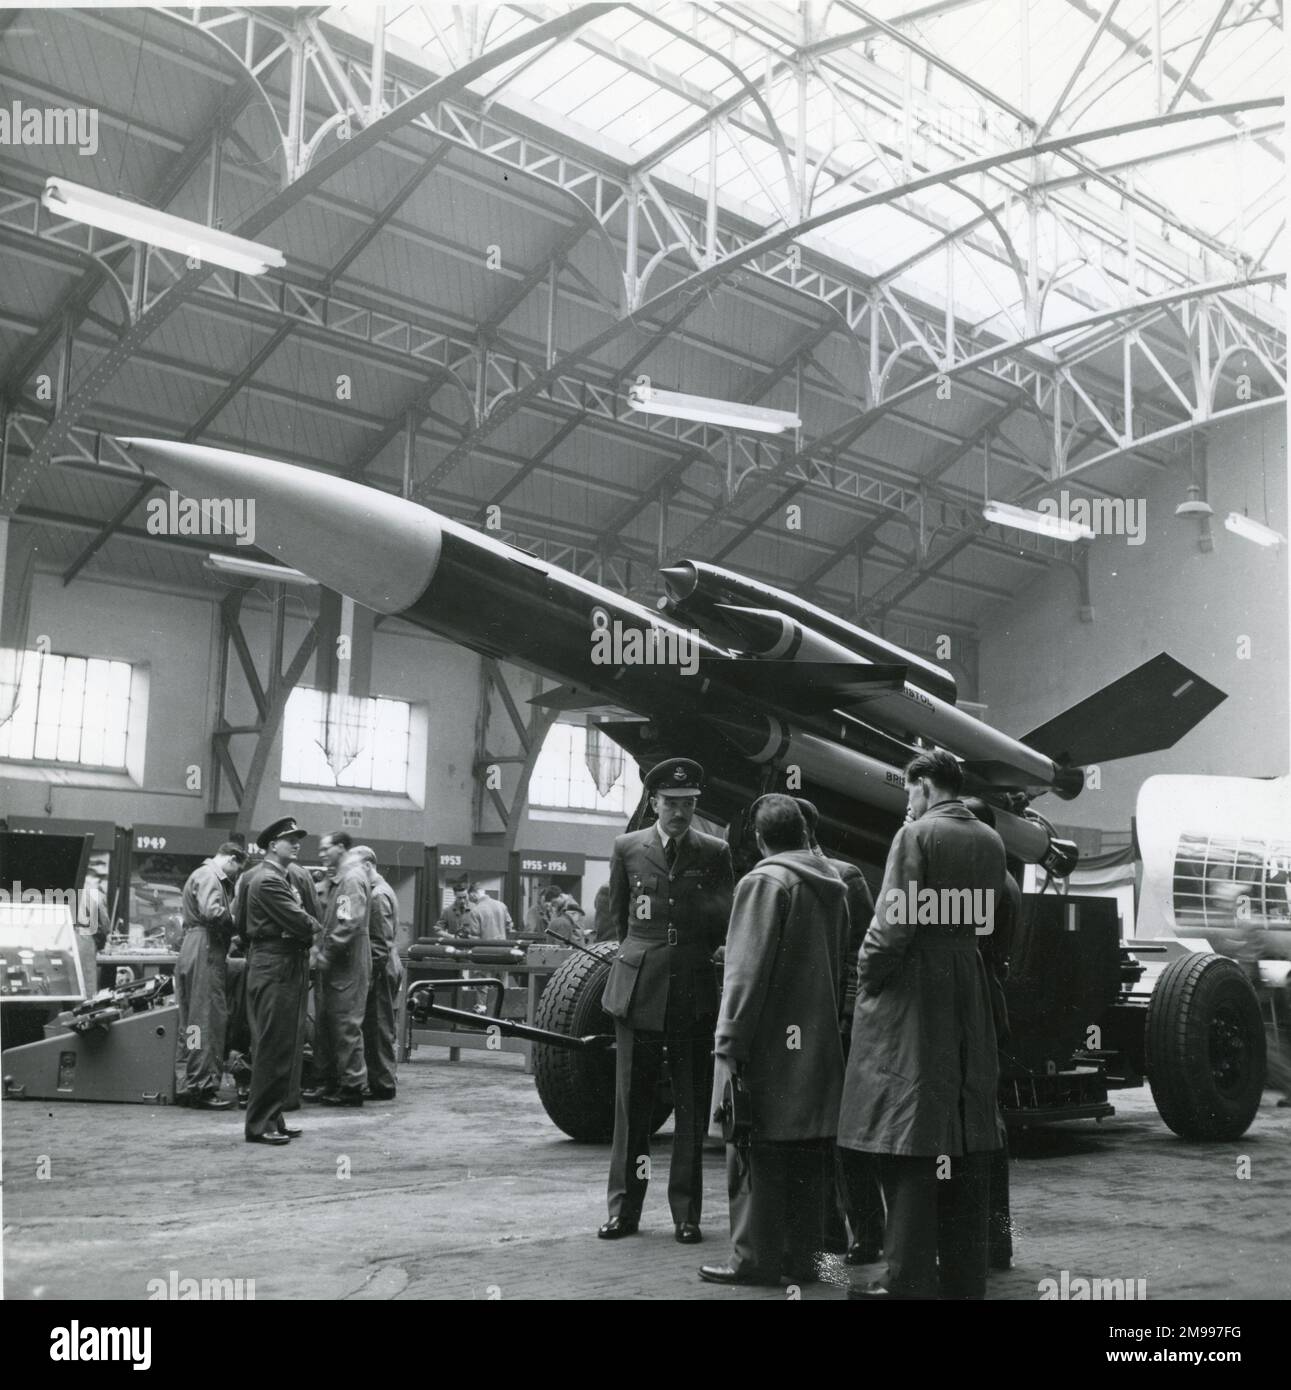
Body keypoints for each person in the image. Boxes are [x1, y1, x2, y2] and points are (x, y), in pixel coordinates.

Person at [839, 749, 1006, 1300]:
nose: (906, 804)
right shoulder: (990, 839)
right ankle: (963, 1278)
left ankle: (906, 1277)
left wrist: (867, 976)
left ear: (925, 787)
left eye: (910, 792)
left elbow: (893, 925)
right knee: (963, 1130)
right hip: (966, 982)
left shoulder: (914, 837)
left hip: (915, 993)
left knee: (907, 1132)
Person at [699, 795, 848, 1287]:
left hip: (768, 1045)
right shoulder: (835, 884)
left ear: (760, 839)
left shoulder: (764, 882)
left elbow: (746, 973)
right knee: (805, 1152)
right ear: (804, 834)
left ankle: (753, 1259)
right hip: (816, 1041)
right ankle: (803, 1258)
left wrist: (728, 1042)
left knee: (751, 1148)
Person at [598, 758, 733, 1244]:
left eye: (689, 804)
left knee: (691, 1109)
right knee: (631, 1107)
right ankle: (624, 1211)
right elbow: (617, 920)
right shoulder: (628, 848)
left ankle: (687, 1215)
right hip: (639, 991)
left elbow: (724, 917)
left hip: (692, 991)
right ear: (654, 802)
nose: (680, 813)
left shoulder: (715, 852)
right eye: (672, 804)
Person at [794, 797, 885, 1267]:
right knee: (815, 1130)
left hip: (839, 1024)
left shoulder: (845, 877)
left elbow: (861, 954)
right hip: (803, 1025)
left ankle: (866, 1232)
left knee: (847, 1134)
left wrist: (847, 1013)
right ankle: (828, 1230)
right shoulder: (785, 873)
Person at [963, 796, 1023, 1272]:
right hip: (992, 1002)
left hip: (979, 1004)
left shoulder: (989, 884)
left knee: (982, 1128)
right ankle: (996, 1242)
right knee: (988, 1125)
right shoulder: (1003, 878)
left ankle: (991, 1242)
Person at [243, 818, 322, 1146]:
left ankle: (273, 1117)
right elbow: (304, 923)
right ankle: (259, 1124)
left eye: (298, 838)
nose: (297, 843)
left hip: (285, 963)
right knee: (272, 1047)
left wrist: (303, 925)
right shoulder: (268, 881)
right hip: (275, 964)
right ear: (272, 845)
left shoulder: (280, 878)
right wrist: (307, 925)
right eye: (290, 839)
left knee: (284, 1047)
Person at [173, 842, 244, 1110]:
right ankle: (203, 1087)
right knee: (207, 1019)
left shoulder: (200, 874)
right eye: (237, 869)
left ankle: (188, 1083)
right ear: (232, 859)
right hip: (206, 948)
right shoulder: (212, 876)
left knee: (192, 1022)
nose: (236, 876)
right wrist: (241, 921)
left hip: (194, 947)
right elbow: (213, 912)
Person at [304, 830, 371, 1107]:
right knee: (328, 1025)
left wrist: (325, 953)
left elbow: (348, 924)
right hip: (335, 961)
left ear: (341, 848)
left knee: (346, 1025)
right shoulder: (338, 881)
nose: (321, 854)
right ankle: (331, 1082)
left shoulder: (351, 880)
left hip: (347, 961)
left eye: (325, 848)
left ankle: (352, 1086)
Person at [354, 845, 401, 1100]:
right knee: (378, 1025)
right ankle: (381, 1079)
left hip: (381, 968)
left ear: (368, 865)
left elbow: (380, 944)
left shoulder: (377, 895)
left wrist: (369, 978)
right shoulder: (380, 891)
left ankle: (383, 1085)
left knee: (379, 1026)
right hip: (384, 965)